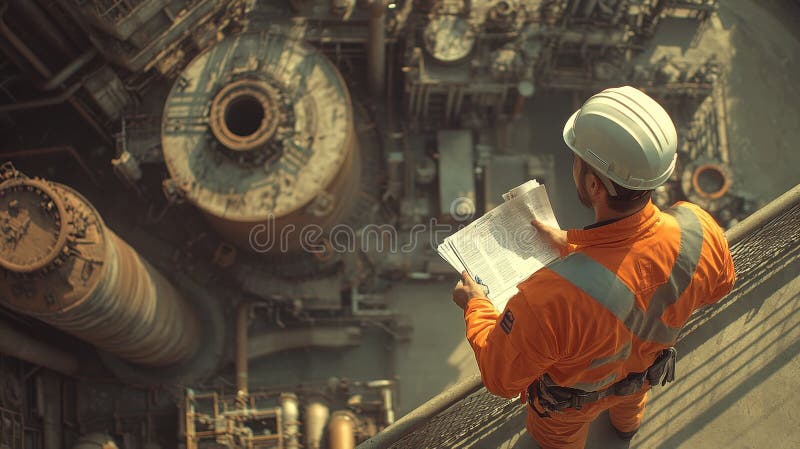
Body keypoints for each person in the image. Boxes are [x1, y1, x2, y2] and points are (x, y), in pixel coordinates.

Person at [452, 86, 736, 449]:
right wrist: (574, 246)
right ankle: (626, 431)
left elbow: (502, 378)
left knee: (560, 439)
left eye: (577, 160)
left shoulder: (549, 300)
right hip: (643, 374)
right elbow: (717, 286)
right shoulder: (700, 230)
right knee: (629, 407)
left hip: (571, 406)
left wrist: (475, 304)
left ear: (592, 184)